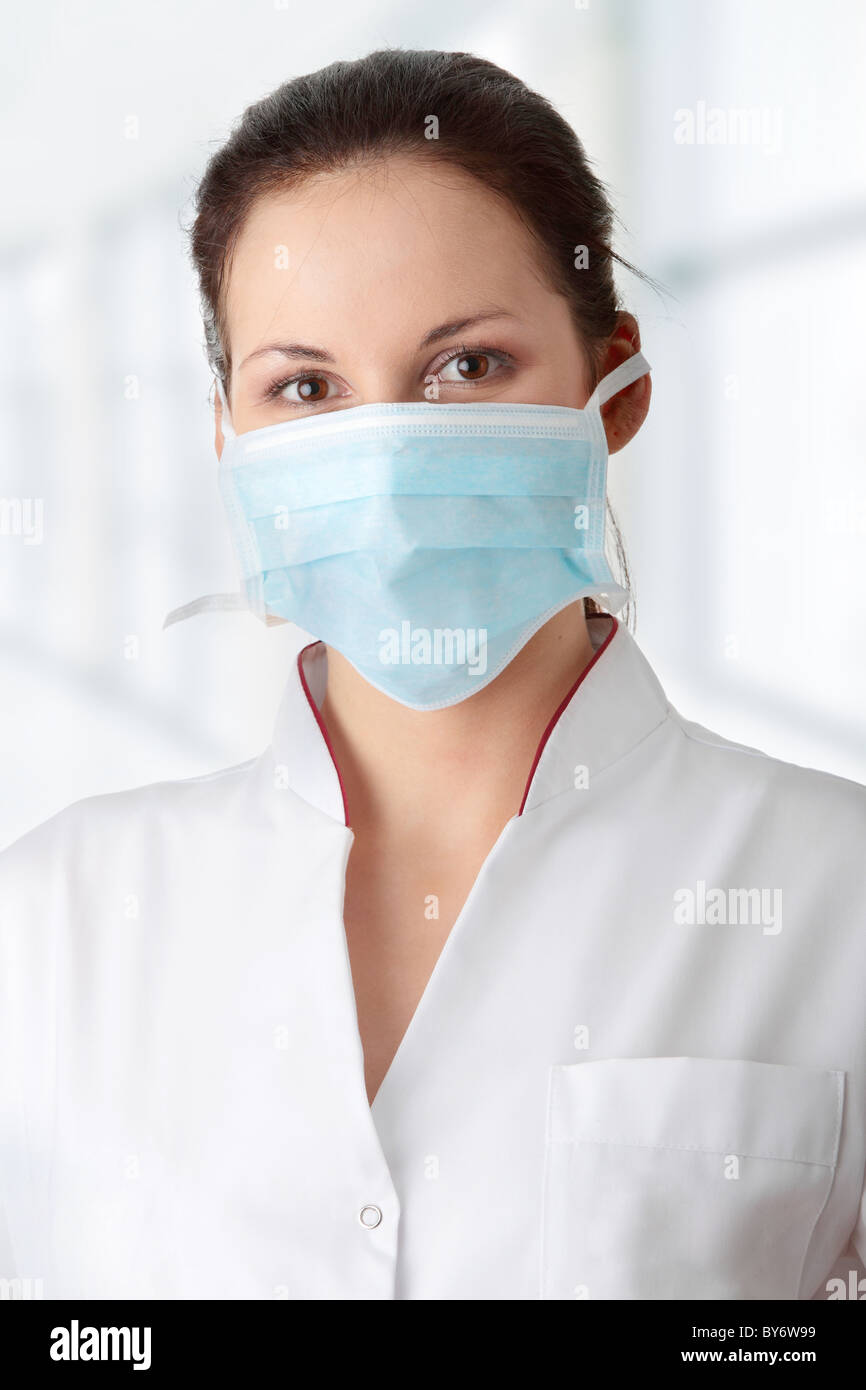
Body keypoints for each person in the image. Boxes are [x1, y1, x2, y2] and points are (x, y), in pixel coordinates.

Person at [1, 48, 864, 1302]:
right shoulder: (50, 919)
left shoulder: (836, 892)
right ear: (226, 437)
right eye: (306, 387)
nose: (385, 448)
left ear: (611, 388)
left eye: (464, 366)